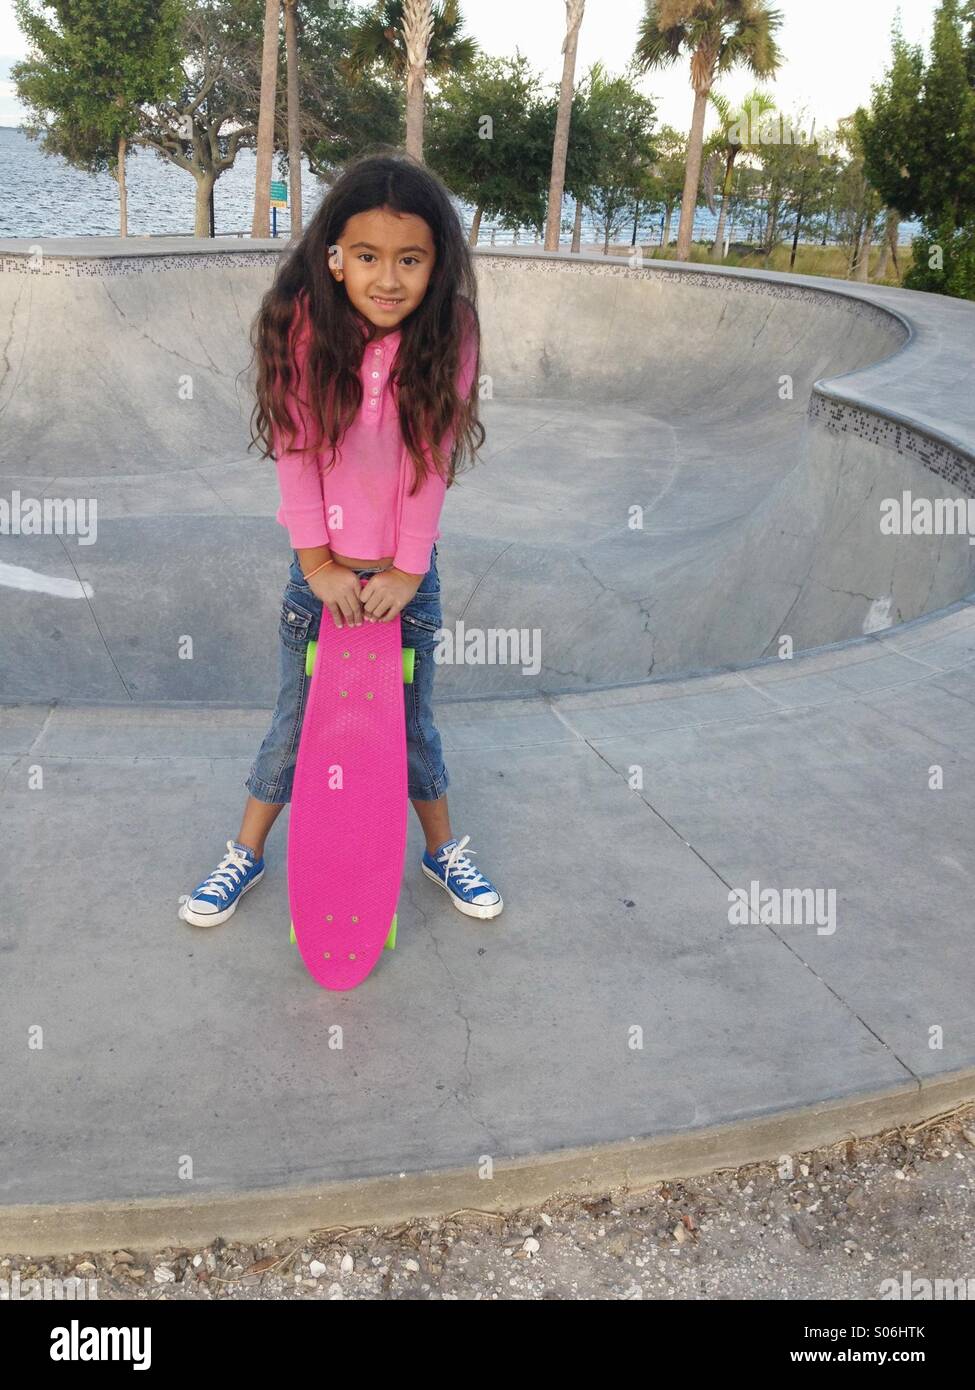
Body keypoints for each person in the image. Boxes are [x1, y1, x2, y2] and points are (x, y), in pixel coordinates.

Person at [180, 152, 503, 930]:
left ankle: (441, 849)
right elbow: (295, 451)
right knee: (297, 724)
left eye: (410, 260)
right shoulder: (304, 325)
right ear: (334, 257)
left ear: (437, 264)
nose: (387, 278)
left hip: (405, 582)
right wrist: (316, 563)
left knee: (409, 729)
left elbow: (432, 462)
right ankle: (247, 852)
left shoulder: (449, 330)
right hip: (317, 582)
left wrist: (405, 568)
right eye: (366, 257)